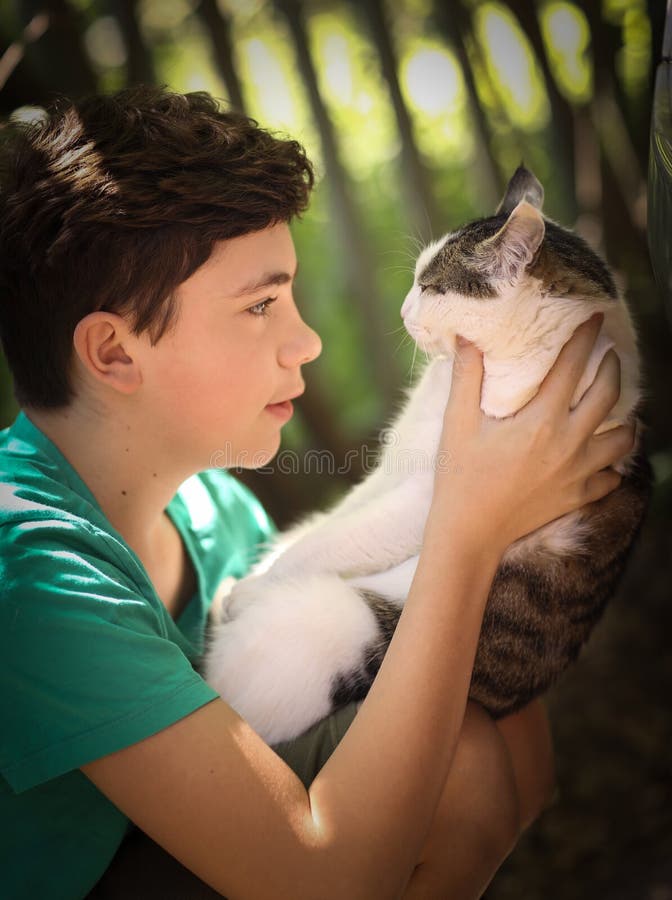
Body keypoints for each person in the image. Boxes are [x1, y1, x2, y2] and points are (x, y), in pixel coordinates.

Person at [0, 86, 634, 900]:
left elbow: (521, 762)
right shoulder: (32, 576)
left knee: (492, 746)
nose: (307, 340)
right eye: (261, 305)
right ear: (115, 355)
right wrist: (469, 527)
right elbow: (323, 880)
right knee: (460, 771)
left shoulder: (213, 512)